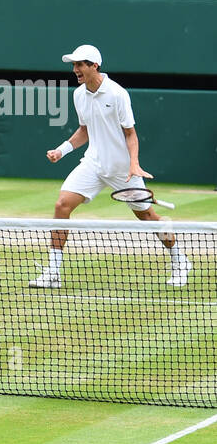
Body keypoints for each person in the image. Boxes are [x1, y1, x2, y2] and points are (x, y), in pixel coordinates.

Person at [30, 45, 190, 290]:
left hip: (123, 169)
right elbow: (84, 130)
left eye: (80, 64)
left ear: (95, 65)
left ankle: (180, 261)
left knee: (147, 216)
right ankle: (53, 273)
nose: (75, 70)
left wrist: (134, 164)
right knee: (61, 206)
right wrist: (62, 150)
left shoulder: (117, 94)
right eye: (73, 65)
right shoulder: (79, 95)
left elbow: (131, 134)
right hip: (93, 164)